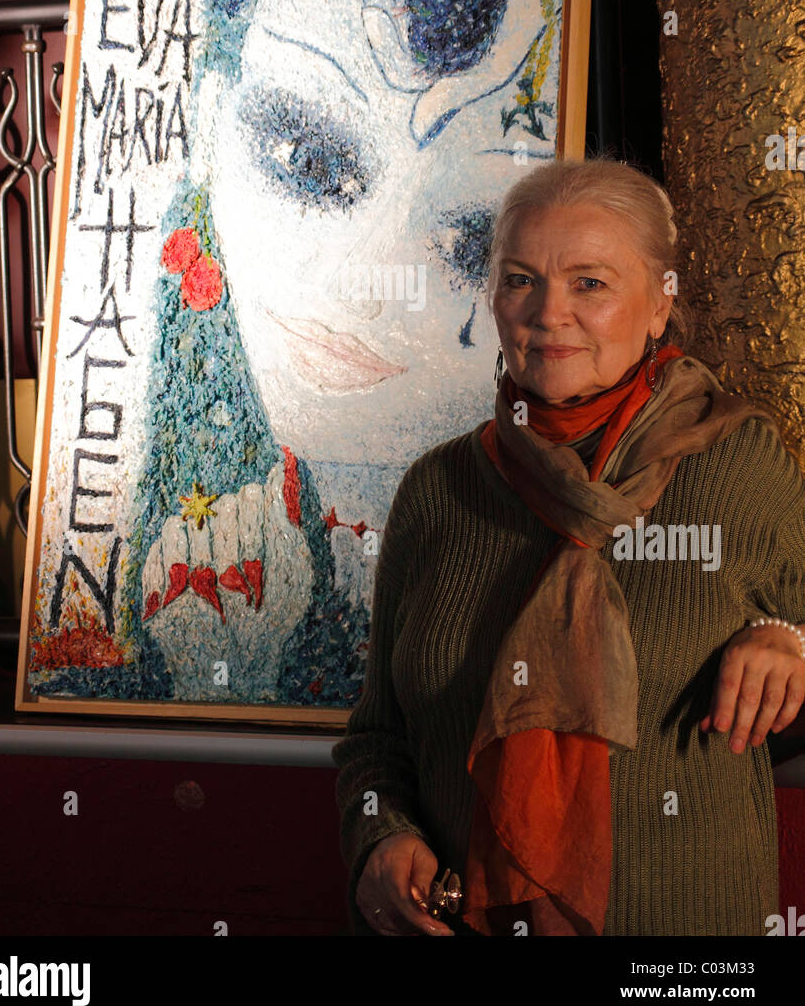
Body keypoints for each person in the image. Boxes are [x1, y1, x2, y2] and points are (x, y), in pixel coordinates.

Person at [332, 155, 805, 936]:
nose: (549, 313)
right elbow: (376, 741)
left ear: (660, 305)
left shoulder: (741, 464)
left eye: (590, 282)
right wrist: (380, 838)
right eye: (521, 280)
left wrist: (788, 639)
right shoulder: (437, 491)